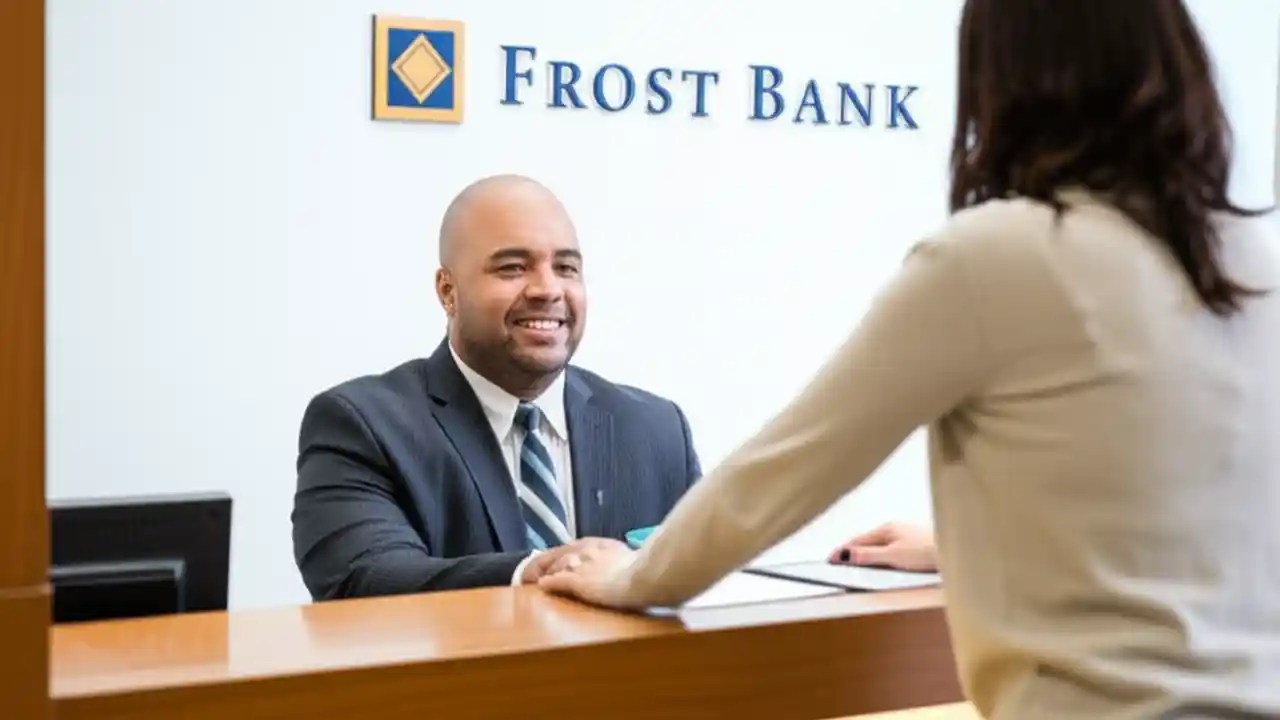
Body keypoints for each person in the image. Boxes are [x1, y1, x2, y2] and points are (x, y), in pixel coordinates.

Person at [537, 1, 1280, 718]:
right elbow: (1179, 502)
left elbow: (784, 471)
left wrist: (637, 575)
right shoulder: (1253, 257)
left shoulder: (998, 256)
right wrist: (961, 551)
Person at [290, 174, 702, 600]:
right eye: (513, 268)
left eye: (566, 268)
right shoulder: (363, 425)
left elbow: (711, 578)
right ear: (448, 291)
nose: (548, 289)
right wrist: (534, 571)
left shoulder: (656, 429)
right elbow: (362, 576)